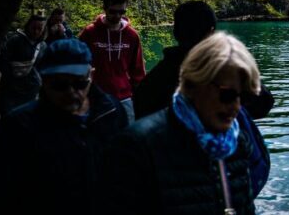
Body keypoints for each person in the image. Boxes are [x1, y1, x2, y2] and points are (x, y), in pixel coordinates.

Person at [99, 32, 270, 215]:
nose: (236, 107)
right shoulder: (136, 147)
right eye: (227, 95)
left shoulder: (237, 142)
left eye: (243, 97)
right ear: (193, 84)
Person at [0, 39, 128, 215]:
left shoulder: (112, 111)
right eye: (60, 85)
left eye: (79, 83)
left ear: (91, 76)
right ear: (44, 80)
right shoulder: (18, 126)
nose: (71, 92)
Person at [134, 0, 274, 120]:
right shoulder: (224, 76)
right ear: (211, 33)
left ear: (175, 33)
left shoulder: (150, 84)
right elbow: (264, 103)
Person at [79, 0, 144, 123]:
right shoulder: (89, 33)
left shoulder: (132, 36)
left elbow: (137, 70)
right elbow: (80, 65)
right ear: (104, 8)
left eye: (122, 12)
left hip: (125, 97)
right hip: (97, 97)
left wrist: (140, 95)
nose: (118, 16)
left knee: (128, 139)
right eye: (113, 12)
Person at [0, 12, 46, 115]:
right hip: (11, 87)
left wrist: (38, 80)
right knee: (8, 116)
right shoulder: (15, 40)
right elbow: (2, 60)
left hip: (31, 88)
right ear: (28, 26)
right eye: (33, 27)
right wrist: (10, 77)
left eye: (39, 29)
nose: (36, 31)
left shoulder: (43, 46)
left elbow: (42, 66)